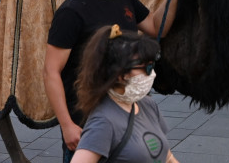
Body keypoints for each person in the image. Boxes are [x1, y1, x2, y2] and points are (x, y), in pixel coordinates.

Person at [44, 0, 186, 162]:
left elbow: (153, 27)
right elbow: (51, 72)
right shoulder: (71, 12)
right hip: (88, 125)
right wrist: (67, 125)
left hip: (126, 112)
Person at [72, 25, 179, 163]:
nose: (152, 73)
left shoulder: (148, 104)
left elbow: (167, 157)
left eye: (152, 65)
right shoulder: (104, 121)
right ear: (119, 75)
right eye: (146, 67)